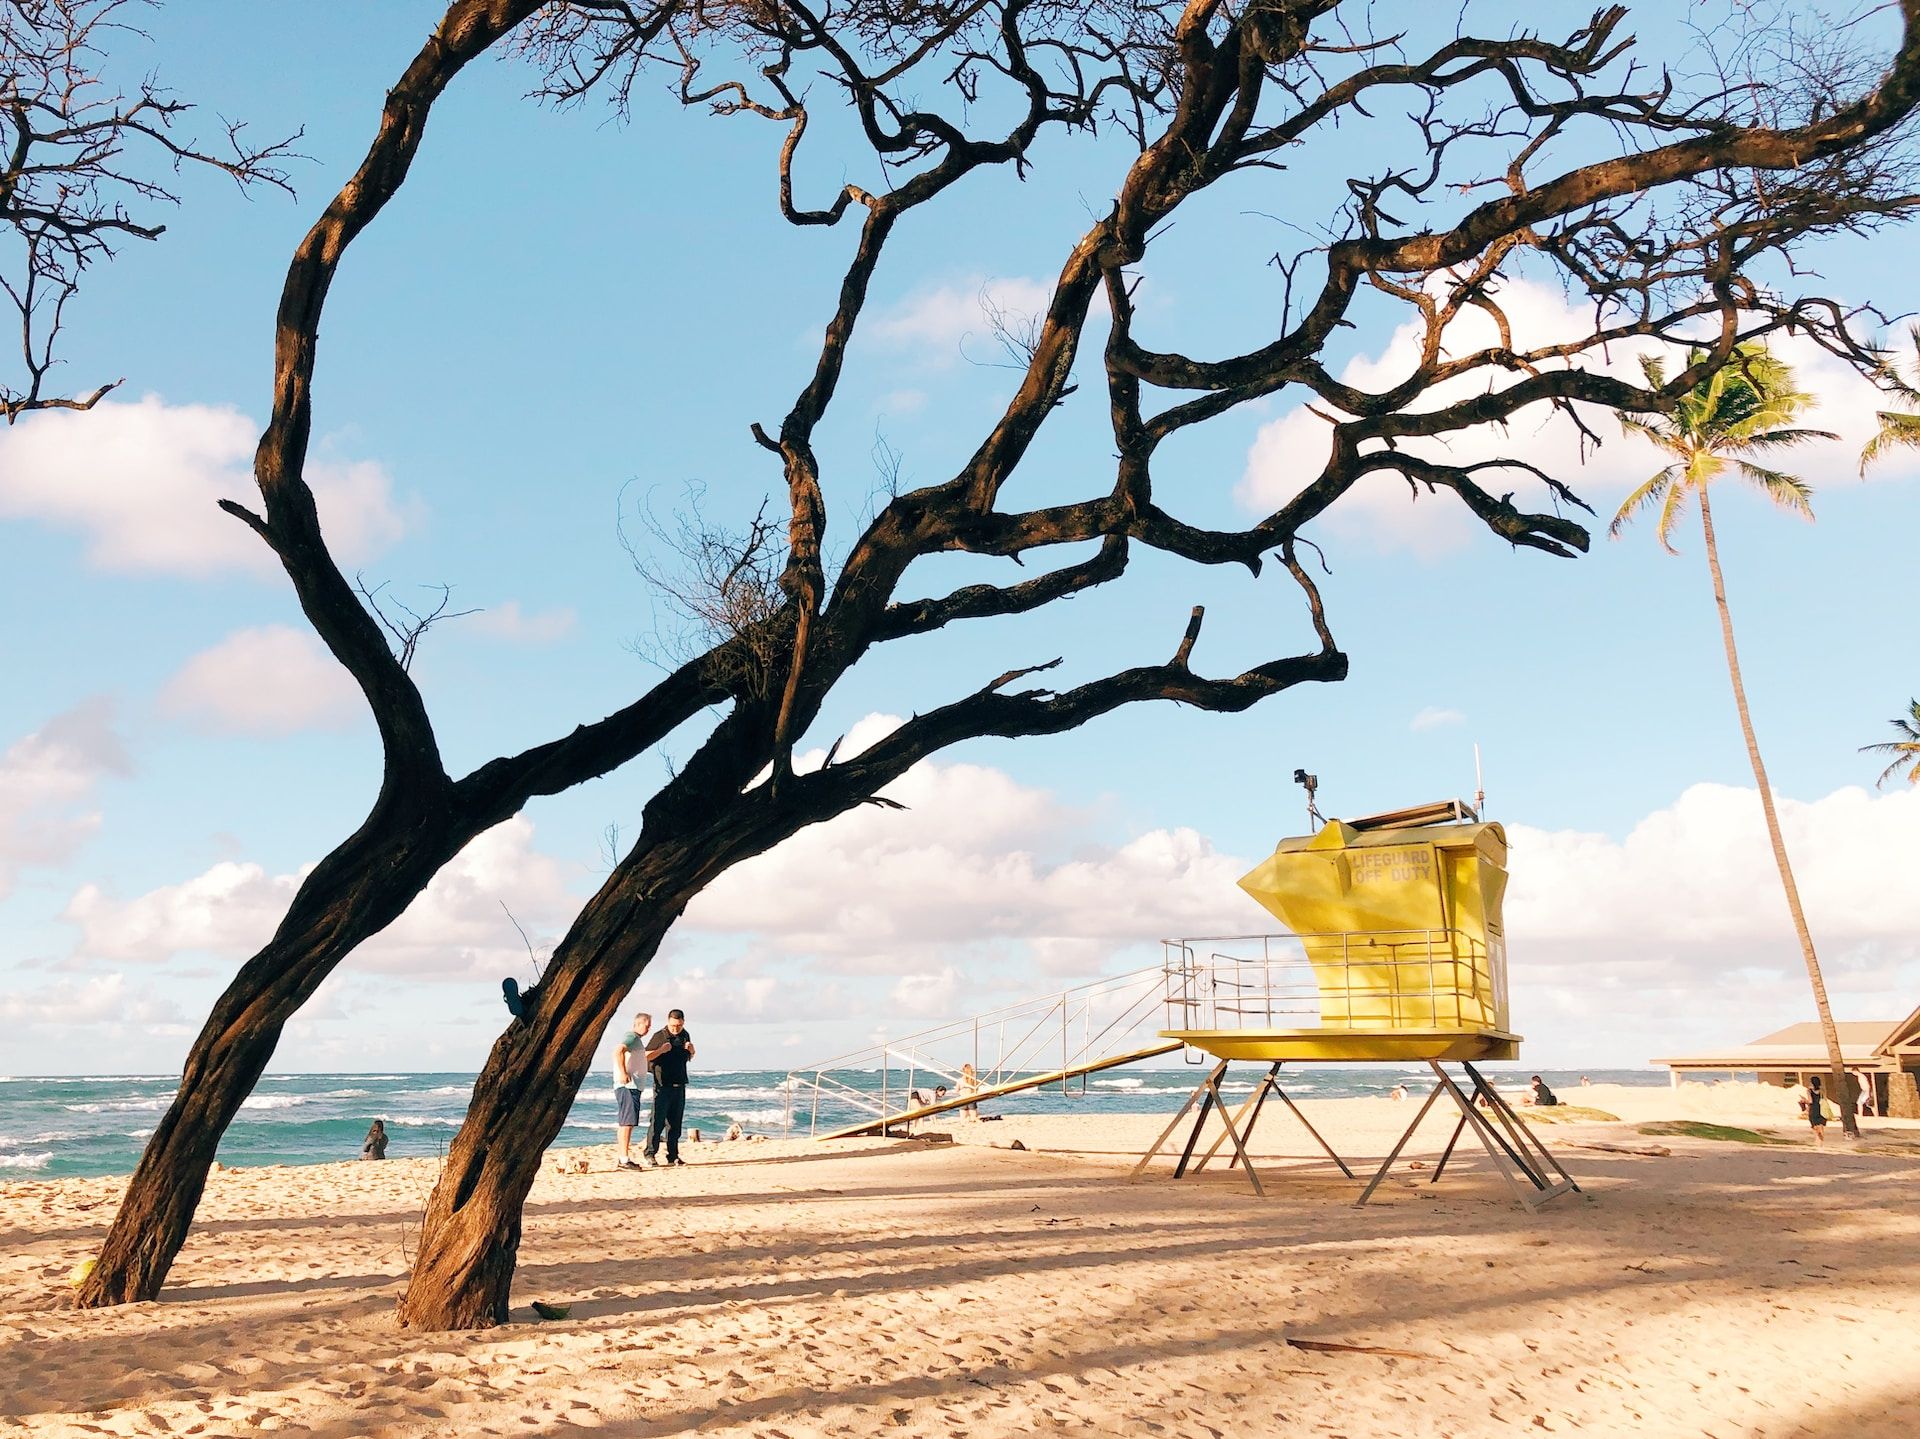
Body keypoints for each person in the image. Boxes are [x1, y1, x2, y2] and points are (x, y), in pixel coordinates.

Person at [644, 1009, 696, 1166]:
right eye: (673, 1025)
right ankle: (650, 1154)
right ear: (668, 1021)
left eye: (679, 1025)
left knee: (675, 1124)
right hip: (662, 1085)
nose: (676, 1029)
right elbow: (645, 1056)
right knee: (657, 1122)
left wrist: (692, 1051)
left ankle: (672, 1155)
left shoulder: (685, 1035)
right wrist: (661, 1050)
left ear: (683, 1023)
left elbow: (688, 1057)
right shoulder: (659, 1035)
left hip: (679, 1084)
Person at [610, 1010, 653, 1171]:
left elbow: (641, 1057)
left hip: (633, 1086)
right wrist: (623, 1072)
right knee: (627, 1122)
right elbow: (618, 1051)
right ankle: (623, 1159)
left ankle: (623, 1157)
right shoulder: (632, 1037)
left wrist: (661, 1051)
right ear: (638, 1024)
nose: (648, 1029)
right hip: (628, 1086)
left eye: (649, 1027)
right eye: (646, 1026)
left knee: (626, 1122)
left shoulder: (637, 1041)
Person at [1800, 1077, 1828, 1144]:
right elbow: (1825, 1099)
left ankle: (1817, 1139)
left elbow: (1810, 1101)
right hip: (1821, 1108)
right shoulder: (1822, 1090)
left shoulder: (1809, 1091)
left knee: (1814, 1126)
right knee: (1821, 1126)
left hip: (1813, 1109)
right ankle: (1821, 1142)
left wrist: (1804, 1100)